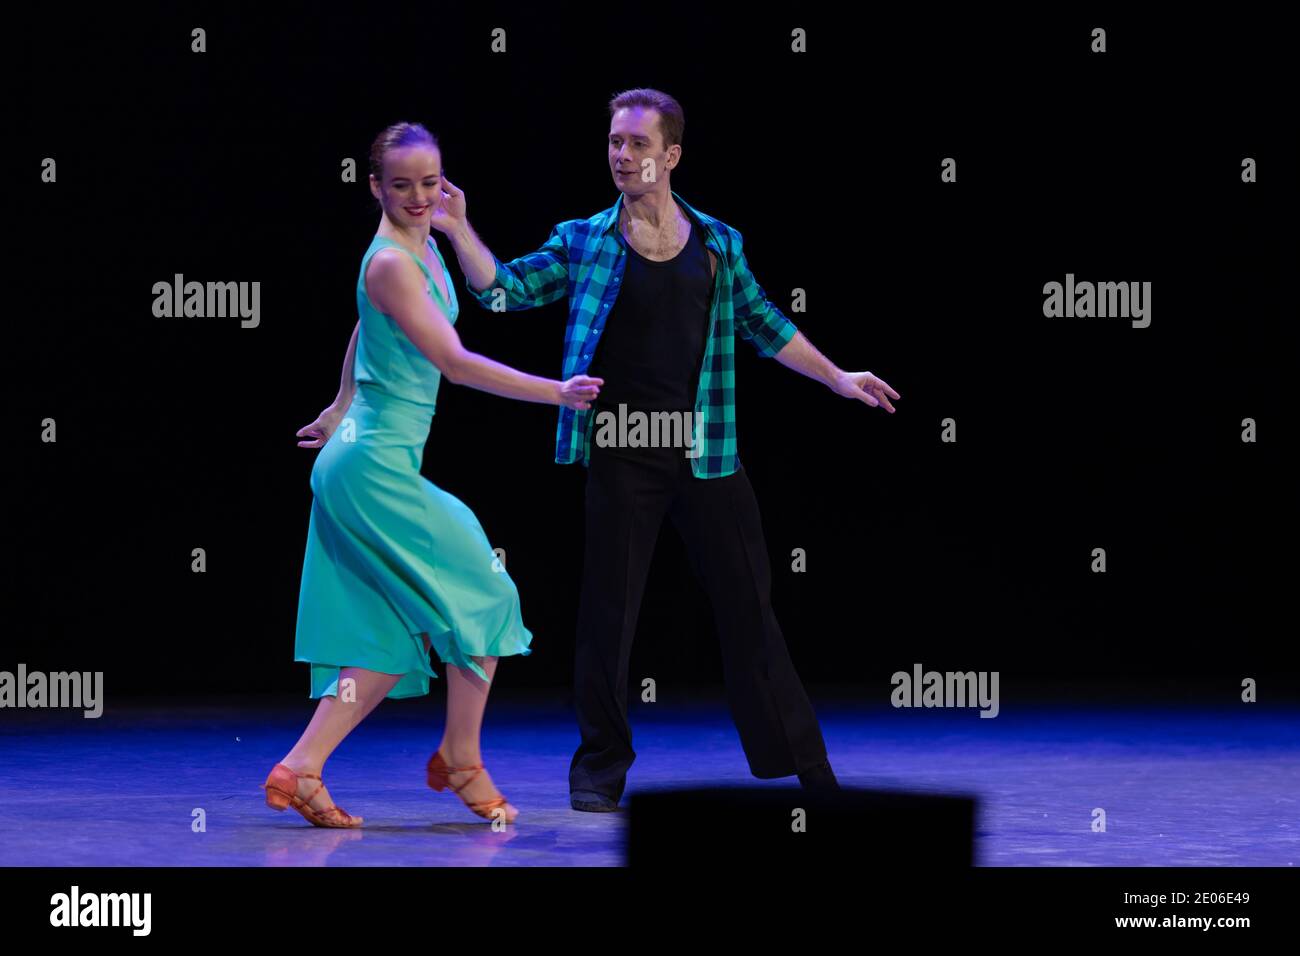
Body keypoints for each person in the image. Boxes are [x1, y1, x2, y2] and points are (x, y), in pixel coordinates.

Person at [435, 89, 901, 811]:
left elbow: (764, 321)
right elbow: (503, 293)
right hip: (622, 450)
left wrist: (837, 376)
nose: (622, 155)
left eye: (637, 145)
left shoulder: (718, 243)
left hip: (705, 448)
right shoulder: (586, 240)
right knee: (608, 616)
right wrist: (462, 231)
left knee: (751, 607)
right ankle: (599, 770)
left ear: (671, 155)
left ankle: (803, 764)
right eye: (615, 142)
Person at [261, 122, 603, 828]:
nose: (419, 196)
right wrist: (555, 391)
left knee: (383, 642)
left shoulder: (419, 249)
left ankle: (300, 769)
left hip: (364, 457)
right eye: (402, 185)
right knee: (487, 592)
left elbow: (368, 326)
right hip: (373, 469)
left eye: (430, 182)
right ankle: (461, 757)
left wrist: (337, 403)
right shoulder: (390, 260)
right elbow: (452, 361)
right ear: (374, 186)